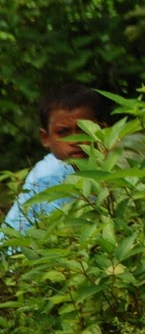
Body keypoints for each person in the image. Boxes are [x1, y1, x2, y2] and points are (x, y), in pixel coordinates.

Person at [3, 83, 111, 236]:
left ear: (102, 130)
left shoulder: (117, 164)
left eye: (84, 130)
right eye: (63, 132)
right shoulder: (47, 175)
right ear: (45, 138)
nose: (75, 140)